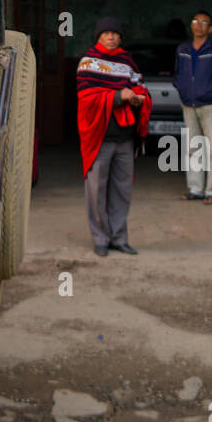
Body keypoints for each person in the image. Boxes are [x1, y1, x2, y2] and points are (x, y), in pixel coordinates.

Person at [76, 17, 151, 257]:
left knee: (122, 191)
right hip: (100, 137)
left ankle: (119, 238)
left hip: (125, 139)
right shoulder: (88, 62)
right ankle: (100, 238)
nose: (111, 37)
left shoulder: (127, 61)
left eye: (115, 33)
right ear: (98, 36)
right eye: (106, 33)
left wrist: (139, 97)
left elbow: (140, 87)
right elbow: (87, 98)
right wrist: (120, 97)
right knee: (96, 191)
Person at [172, 11, 212, 204]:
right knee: (193, 148)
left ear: (210, 29)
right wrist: (182, 87)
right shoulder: (182, 49)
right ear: (191, 25)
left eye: (204, 23)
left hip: (211, 106)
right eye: (195, 21)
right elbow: (177, 74)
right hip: (188, 105)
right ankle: (195, 188)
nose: (198, 25)